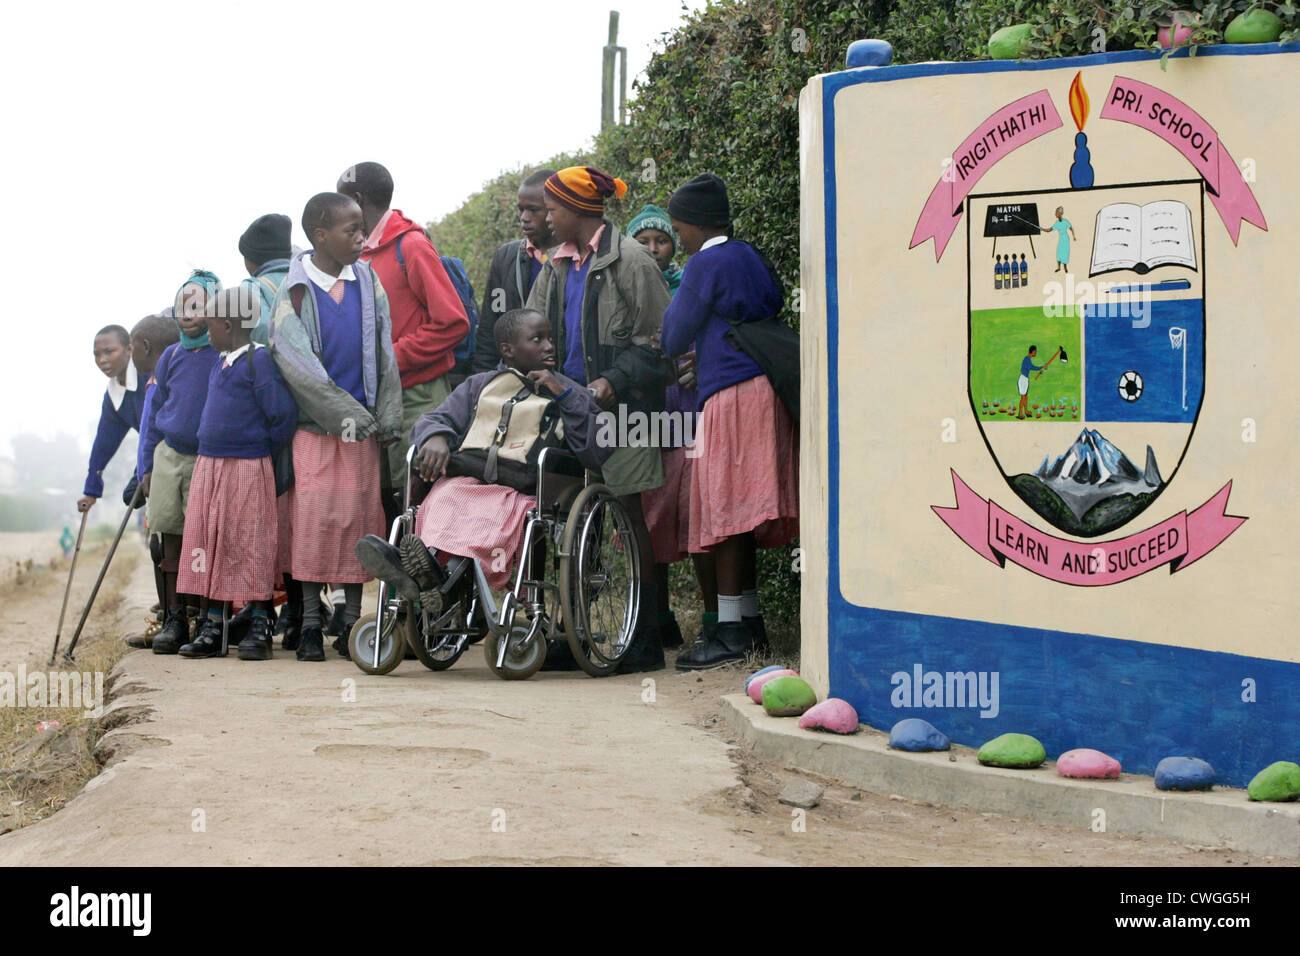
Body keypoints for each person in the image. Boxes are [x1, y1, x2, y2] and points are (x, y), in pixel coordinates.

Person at [525, 166, 673, 672]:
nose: (546, 216)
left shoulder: (631, 261)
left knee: (629, 517)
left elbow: (660, 344)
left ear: (582, 211)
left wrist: (611, 381)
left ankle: (645, 642)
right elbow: (532, 332)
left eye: (553, 208)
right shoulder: (556, 265)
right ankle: (572, 633)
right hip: (568, 411)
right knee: (566, 519)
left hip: (623, 414)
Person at [355, 308, 610, 600]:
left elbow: (594, 450)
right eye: (537, 339)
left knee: (488, 515)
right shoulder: (479, 385)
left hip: (521, 490)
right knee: (443, 498)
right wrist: (435, 436)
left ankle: (434, 580)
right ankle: (430, 572)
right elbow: (434, 418)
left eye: (550, 338)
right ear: (507, 350)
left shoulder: (568, 391)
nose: (549, 346)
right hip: (467, 480)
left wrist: (562, 394)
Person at [662, 173, 799, 671]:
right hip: (764, 391)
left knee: (726, 516)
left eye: (679, 230)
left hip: (730, 397)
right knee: (740, 512)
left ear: (698, 225)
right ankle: (750, 621)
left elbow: (673, 334)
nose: (680, 241)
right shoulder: (749, 255)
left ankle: (732, 633)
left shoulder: (705, 262)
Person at [268, 192, 402, 662]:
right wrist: (347, 414)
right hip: (316, 431)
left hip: (363, 432)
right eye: (352, 231)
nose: (362, 239)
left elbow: (385, 351)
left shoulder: (368, 282)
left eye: (363, 229)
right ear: (320, 236)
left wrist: (387, 415)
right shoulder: (295, 292)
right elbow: (297, 365)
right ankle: (308, 621)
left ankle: (349, 620)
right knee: (312, 520)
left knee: (357, 521)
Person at [336, 162, 469, 523]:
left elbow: (453, 322)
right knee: (391, 506)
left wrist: (391, 358)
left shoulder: (409, 244)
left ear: (358, 200)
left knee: (422, 504)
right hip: (375, 401)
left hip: (419, 397)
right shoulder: (358, 254)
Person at [175, 288, 298, 660]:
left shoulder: (257, 362)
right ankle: (214, 626)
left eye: (210, 326)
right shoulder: (222, 361)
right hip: (208, 466)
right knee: (209, 543)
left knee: (249, 542)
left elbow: (282, 417)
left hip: (246, 467)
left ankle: (260, 622)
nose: (206, 333)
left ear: (227, 326)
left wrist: (256, 448)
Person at [628, 204, 714, 650]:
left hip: (690, 410)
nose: (653, 248)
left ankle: (715, 619)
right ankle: (658, 619)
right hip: (649, 416)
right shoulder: (628, 288)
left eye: (660, 240)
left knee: (700, 514)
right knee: (652, 514)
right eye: (642, 241)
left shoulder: (691, 286)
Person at [141, 272, 224, 654]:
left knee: (203, 540)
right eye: (183, 304)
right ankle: (175, 618)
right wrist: (146, 468)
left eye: (198, 304)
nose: (188, 313)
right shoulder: (171, 356)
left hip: (207, 458)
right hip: (169, 456)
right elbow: (152, 417)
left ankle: (207, 618)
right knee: (170, 538)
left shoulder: (221, 355)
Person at [123, 311, 180, 648]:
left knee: (171, 545)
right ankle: (170, 617)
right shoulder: (153, 381)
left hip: (168, 471)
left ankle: (179, 618)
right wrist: (141, 473)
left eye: (131, 349)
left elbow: (158, 431)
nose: (131, 357)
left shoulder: (167, 379)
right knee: (160, 544)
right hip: (153, 473)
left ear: (145, 345)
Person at [472, 168, 557, 373]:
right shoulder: (506, 258)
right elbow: (490, 328)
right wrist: (483, 383)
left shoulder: (575, 260)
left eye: (533, 210)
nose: (524, 217)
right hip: (516, 381)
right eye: (521, 209)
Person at [78, 325, 148, 514]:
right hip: (152, 454)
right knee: (131, 496)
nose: (102, 360)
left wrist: (143, 470)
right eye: (97, 354)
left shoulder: (148, 375)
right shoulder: (114, 394)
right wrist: (91, 491)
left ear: (129, 349)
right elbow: (104, 442)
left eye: (109, 352)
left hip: (176, 449)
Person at [238, 213, 293, 346]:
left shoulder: (250, 287)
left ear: (251, 258)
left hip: (279, 364)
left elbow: (260, 328)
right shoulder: (306, 277)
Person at [1044, 206, 1076, 273]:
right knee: (1059, 253)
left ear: (1060, 213)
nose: (1055, 214)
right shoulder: (1057, 223)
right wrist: (1043, 229)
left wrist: (1074, 236)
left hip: (1066, 239)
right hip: (1061, 239)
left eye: (1057, 212)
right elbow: (1049, 229)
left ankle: (1065, 268)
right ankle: (1058, 268)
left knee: (1065, 253)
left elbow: (1071, 228)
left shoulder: (1065, 221)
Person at [1017, 345, 1043, 420]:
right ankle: (1020, 413)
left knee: (1026, 397)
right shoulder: (1027, 359)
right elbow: (1031, 367)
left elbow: (1031, 367)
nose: (1036, 353)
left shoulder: (1028, 358)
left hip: (1025, 379)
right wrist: (1040, 367)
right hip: (1023, 379)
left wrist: (1040, 368)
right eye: (1035, 352)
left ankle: (1026, 411)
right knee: (1023, 397)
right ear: (1033, 351)